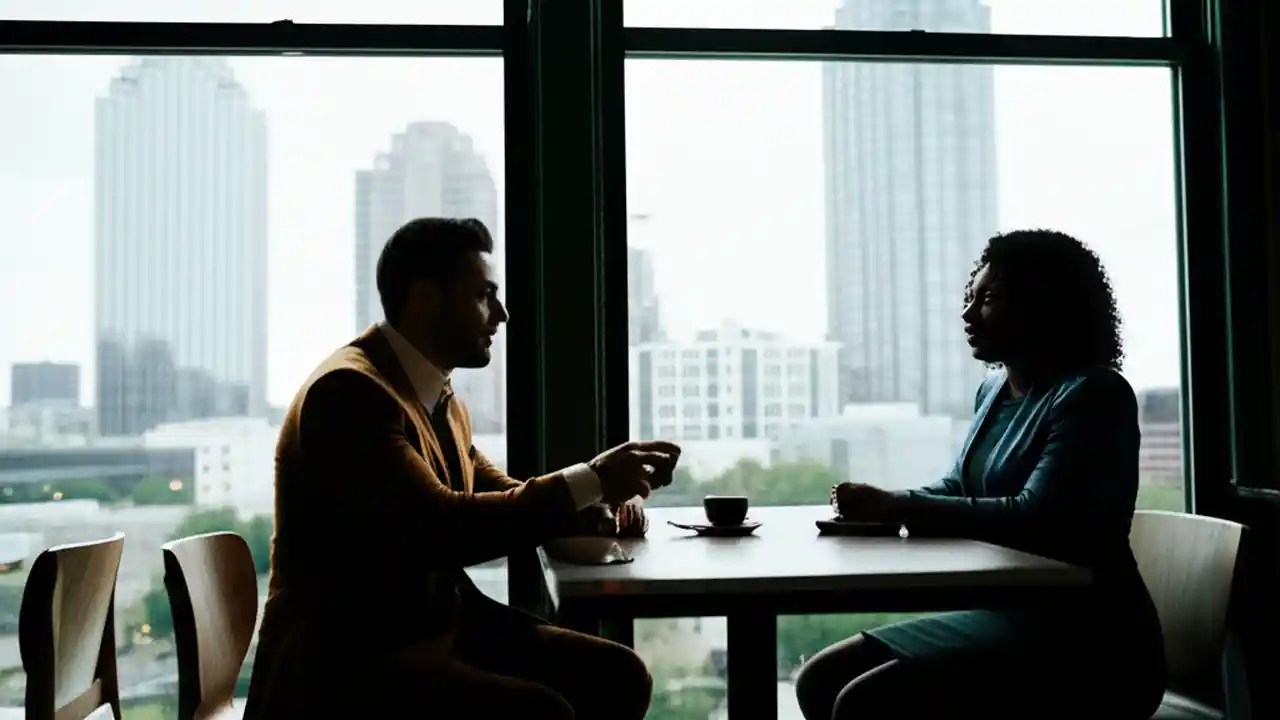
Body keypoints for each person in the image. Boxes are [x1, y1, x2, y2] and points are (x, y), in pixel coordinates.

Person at [244, 217, 680, 719]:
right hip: (344, 668)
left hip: (429, 634)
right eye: (484, 295)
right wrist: (592, 479)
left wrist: (589, 506)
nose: (502, 314)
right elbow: (440, 526)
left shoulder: (434, 394)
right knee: (544, 713)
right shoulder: (350, 393)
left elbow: (491, 492)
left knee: (618, 676)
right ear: (426, 298)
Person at [795, 229, 1167, 719]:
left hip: (1092, 638)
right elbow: (959, 486)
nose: (968, 314)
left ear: (1041, 305)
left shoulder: (1095, 395)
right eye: (970, 298)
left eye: (988, 299)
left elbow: (1039, 517)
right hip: (1012, 615)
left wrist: (898, 507)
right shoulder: (993, 391)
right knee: (819, 679)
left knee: (863, 704)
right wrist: (882, 504)